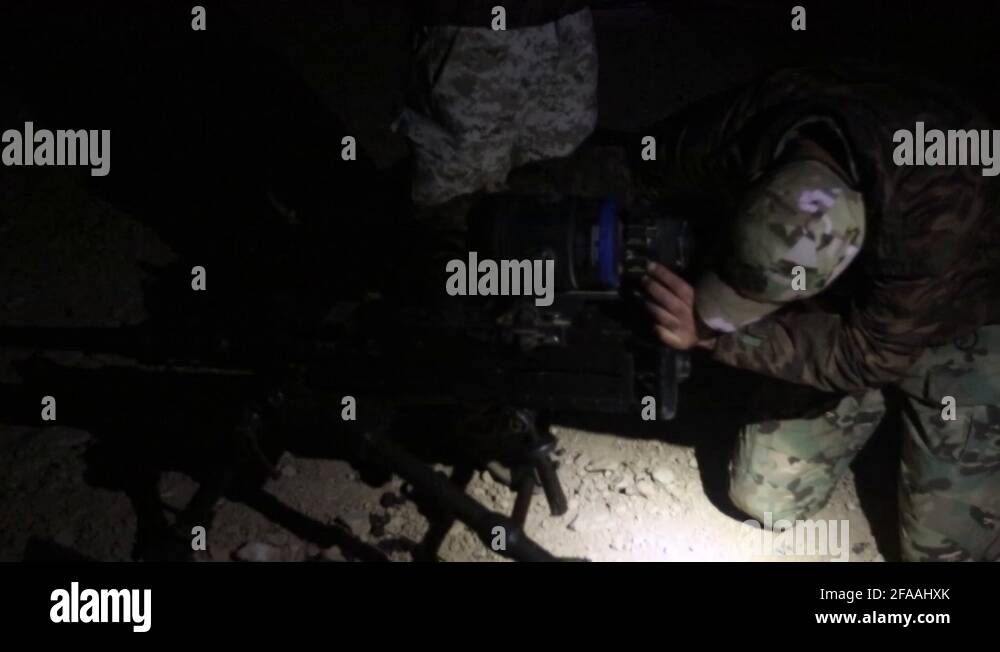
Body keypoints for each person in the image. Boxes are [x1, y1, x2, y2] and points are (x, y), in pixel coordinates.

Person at [637, 65, 1000, 561]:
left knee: (942, 557)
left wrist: (714, 338)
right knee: (762, 499)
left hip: (960, 323)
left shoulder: (941, 206)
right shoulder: (750, 124)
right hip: (853, 309)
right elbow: (642, 167)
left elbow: (870, 354)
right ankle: (860, 402)